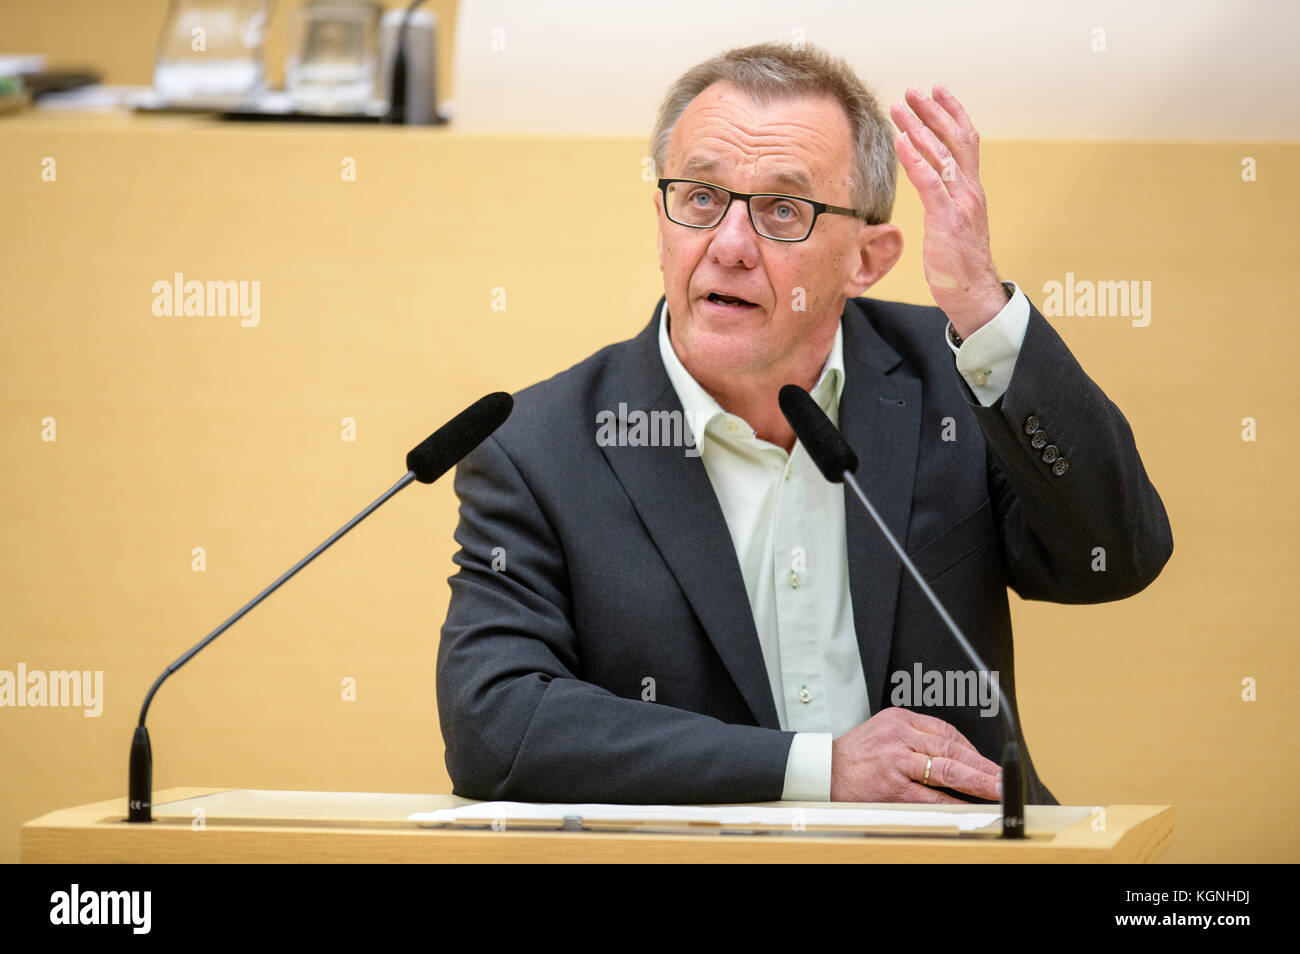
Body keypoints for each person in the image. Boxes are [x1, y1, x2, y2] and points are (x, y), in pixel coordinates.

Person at [436, 42, 1173, 806]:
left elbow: (1113, 556)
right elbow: (497, 728)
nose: (727, 247)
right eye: (699, 198)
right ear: (660, 220)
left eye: (783, 211)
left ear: (867, 259)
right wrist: (819, 772)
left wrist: (984, 307)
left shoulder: (960, 376)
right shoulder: (539, 449)